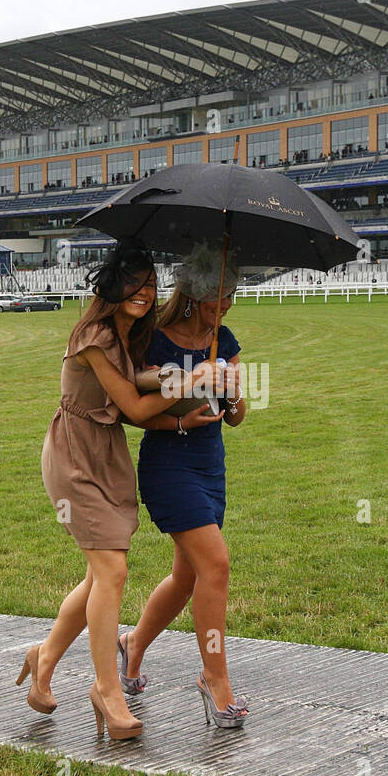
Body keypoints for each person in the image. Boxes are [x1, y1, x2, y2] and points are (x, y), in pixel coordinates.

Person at [20, 238, 217, 741]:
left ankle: (43, 658)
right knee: (113, 570)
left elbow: (140, 381)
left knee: (96, 579)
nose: (144, 293)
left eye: (150, 284)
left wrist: (182, 378)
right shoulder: (94, 336)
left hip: (106, 453)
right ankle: (107, 689)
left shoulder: (129, 335)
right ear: (112, 287)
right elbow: (131, 406)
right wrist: (188, 381)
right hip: (73, 455)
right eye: (133, 283)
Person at [118, 245, 251, 728]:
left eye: (232, 294)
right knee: (216, 563)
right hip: (168, 467)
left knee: (187, 577)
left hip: (210, 467)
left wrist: (235, 397)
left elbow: (235, 419)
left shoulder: (226, 338)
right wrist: (180, 419)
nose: (227, 304)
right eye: (219, 295)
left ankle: (132, 646)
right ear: (193, 294)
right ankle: (214, 679)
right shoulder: (155, 342)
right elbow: (131, 412)